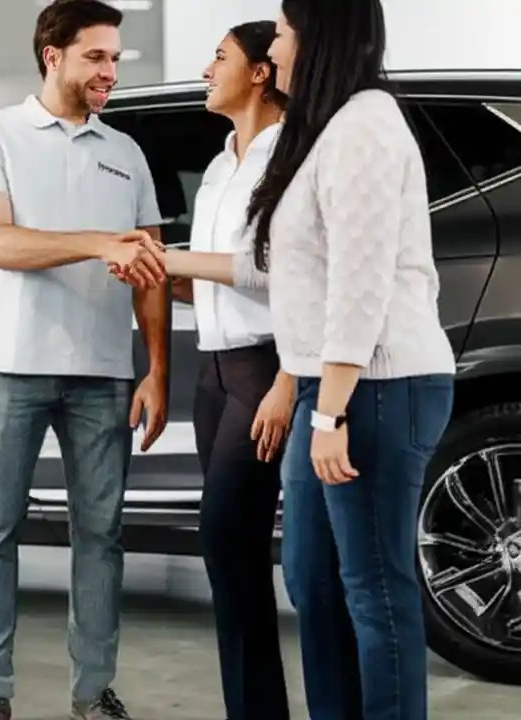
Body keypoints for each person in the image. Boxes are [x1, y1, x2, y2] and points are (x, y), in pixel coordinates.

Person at [178, 1, 453, 717]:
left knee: (372, 586)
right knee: (310, 578)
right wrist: (170, 261)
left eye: (289, 30)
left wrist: (328, 408)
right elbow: (285, 266)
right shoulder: (324, 130)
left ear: (320, 36)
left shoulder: (365, 124)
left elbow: (358, 282)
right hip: (328, 389)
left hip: (377, 385)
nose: (281, 42)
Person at [0, 1, 171, 718]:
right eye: (97, 57)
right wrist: (97, 242)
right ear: (54, 56)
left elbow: (152, 271)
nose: (111, 70)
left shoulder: (126, 153)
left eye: (115, 57)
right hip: (8, 368)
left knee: (101, 537)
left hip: (104, 374)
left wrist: (158, 368)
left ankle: (92, 690)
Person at [142, 21, 293, 720]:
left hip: (267, 365)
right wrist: (152, 271)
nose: (207, 69)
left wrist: (170, 260)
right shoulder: (219, 166)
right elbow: (219, 280)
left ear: (260, 72)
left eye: (221, 56)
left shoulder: (287, 154)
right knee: (230, 555)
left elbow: (271, 273)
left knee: (227, 540)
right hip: (216, 371)